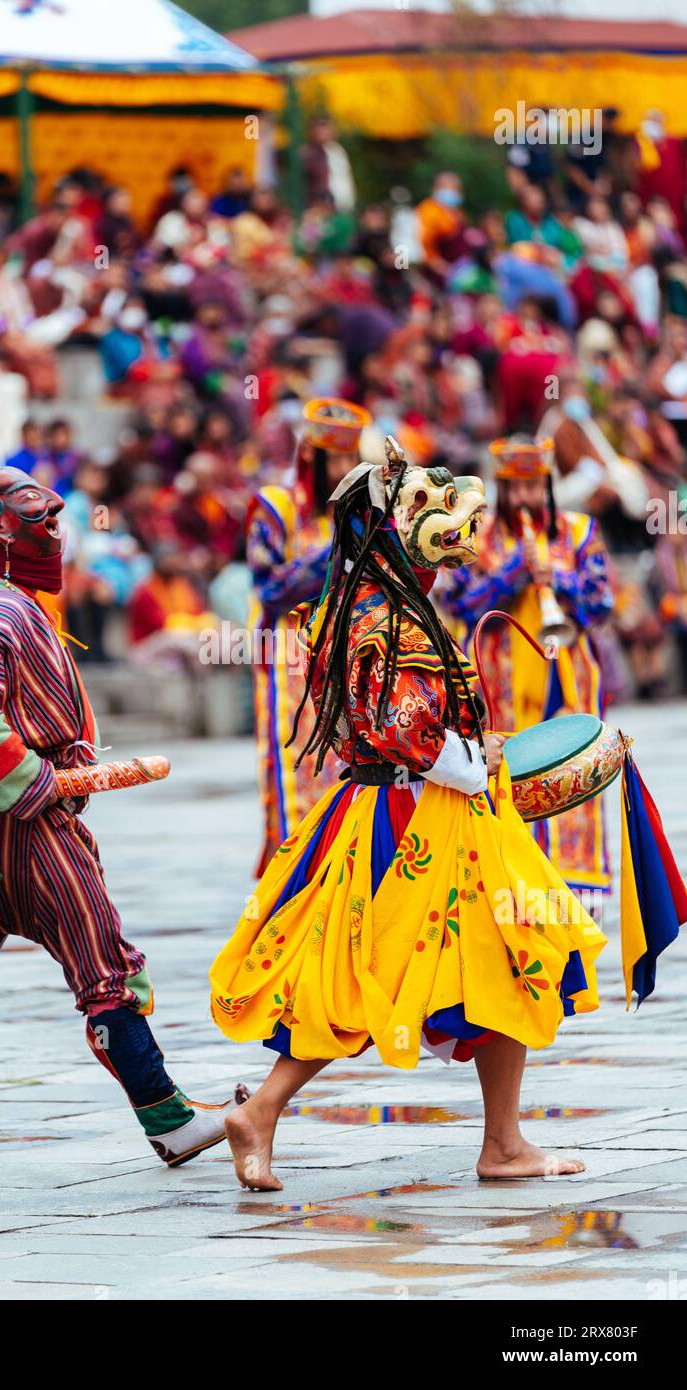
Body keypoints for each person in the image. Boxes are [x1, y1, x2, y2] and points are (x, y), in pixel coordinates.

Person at [210, 443, 610, 1191]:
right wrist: (482, 761)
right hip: (420, 816)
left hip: (387, 805)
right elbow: (412, 735)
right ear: (398, 528)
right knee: (403, 970)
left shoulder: (364, 601)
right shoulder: (390, 619)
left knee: (492, 963)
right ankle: (263, 1110)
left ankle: (500, 1143)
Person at [0, 466, 244, 1181]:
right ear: (1, 527)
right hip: (26, 828)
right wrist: (37, 784)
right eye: (46, 519)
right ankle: (170, 1121)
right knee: (103, 969)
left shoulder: (4, 606)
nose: (60, 534)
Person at [438, 436, 615, 896]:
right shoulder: (475, 534)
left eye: (532, 488)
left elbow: (601, 603)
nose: (522, 499)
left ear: (547, 485)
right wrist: (513, 572)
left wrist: (558, 578)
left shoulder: (579, 531)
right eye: (512, 488)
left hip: (566, 677)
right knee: (507, 775)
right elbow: (458, 600)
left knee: (569, 771)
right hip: (499, 686)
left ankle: (575, 890)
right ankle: (510, 886)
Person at [246, 398, 371, 873]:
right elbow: (270, 588)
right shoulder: (275, 508)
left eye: (348, 459)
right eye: (331, 461)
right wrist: (333, 551)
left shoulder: (367, 508)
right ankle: (298, 867)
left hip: (355, 642)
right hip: (293, 648)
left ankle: (355, 861)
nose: (341, 470)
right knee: (298, 755)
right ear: (309, 459)